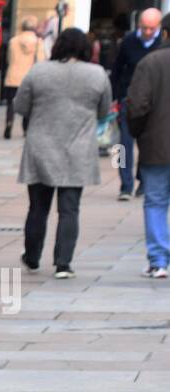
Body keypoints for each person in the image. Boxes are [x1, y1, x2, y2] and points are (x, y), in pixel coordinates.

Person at [13, 27, 113, 279]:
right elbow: (104, 111)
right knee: (70, 209)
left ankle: (32, 257)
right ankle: (63, 263)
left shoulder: (39, 71)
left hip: (41, 148)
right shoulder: (97, 74)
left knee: (37, 208)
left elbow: (20, 105)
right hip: (77, 149)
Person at [125, 39, 170, 277]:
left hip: (157, 145)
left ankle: (159, 261)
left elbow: (137, 105)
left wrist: (138, 132)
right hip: (157, 143)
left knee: (155, 201)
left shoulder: (150, 62)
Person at [112, 8, 165, 200]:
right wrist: (116, 97)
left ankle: (143, 181)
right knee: (122, 145)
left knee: (148, 144)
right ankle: (125, 185)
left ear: (159, 27)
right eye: (144, 28)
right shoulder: (129, 41)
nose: (148, 32)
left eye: (152, 28)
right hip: (129, 100)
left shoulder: (163, 44)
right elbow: (117, 69)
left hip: (154, 103)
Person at [4, 17, 43, 139]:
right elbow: (41, 61)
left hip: (13, 76)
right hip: (29, 78)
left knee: (10, 104)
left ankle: (9, 123)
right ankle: (26, 129)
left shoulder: (13, 41)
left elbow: (9, 59)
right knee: (30, 104)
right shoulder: (37, 42)